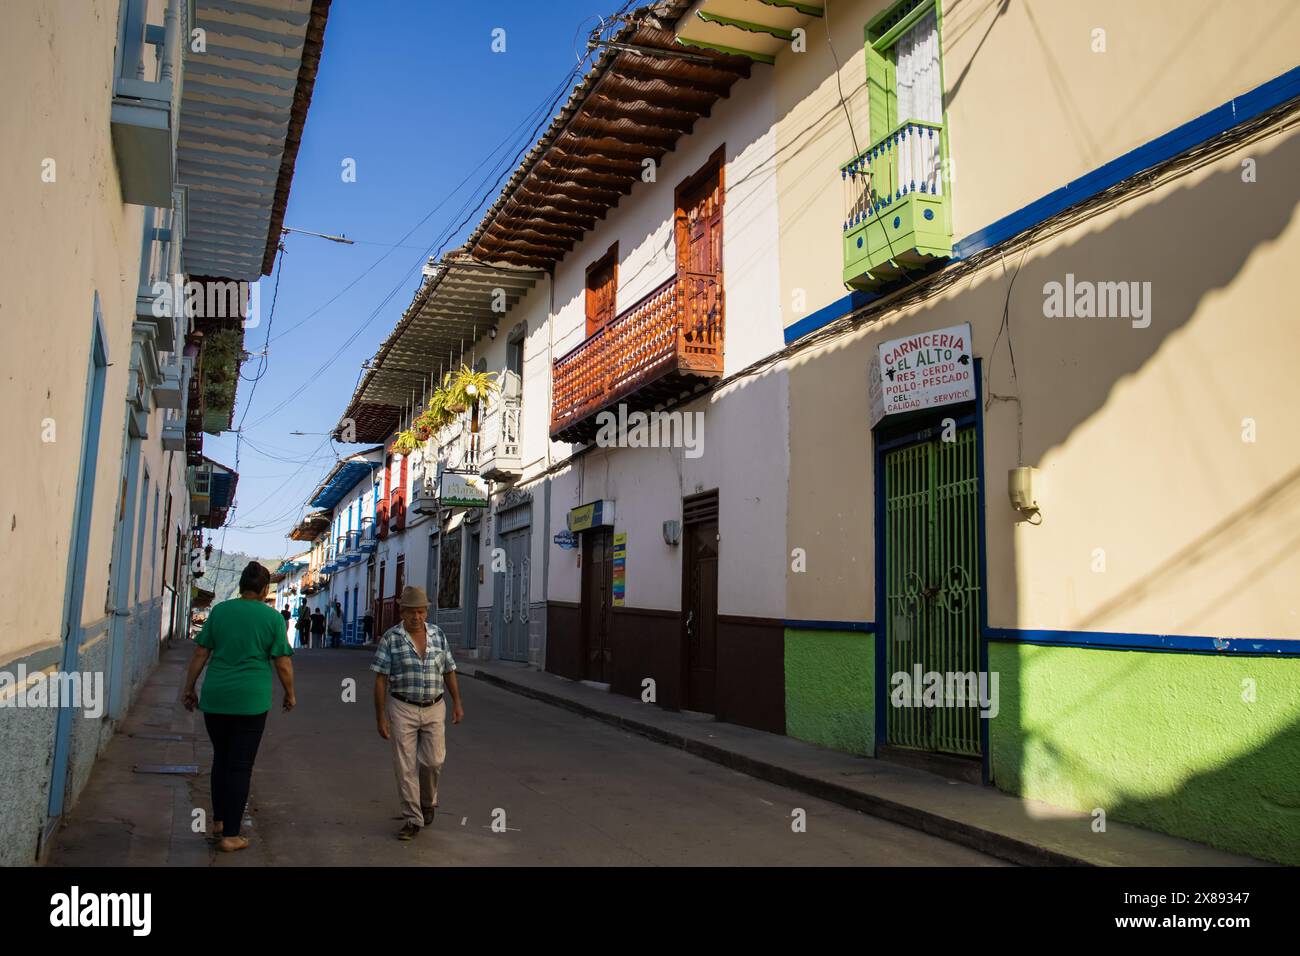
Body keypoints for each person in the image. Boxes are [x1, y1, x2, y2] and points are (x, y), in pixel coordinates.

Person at [181, 561, 295, 853]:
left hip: (216, 698)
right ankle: (231, 835)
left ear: (242, 585)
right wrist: (289, 693)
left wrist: (189, 687)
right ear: (264, 589)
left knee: (221, 759)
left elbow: (200, 653)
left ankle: (219, 822)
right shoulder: (272, 619)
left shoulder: (220, 611)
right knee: (240, 767)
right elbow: (282, 662)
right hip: (250, 701)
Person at [371, 586, 464, 841]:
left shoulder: (438, 635)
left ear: (426, 612)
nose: (417, 617)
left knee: (433, 761)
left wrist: (457, 702)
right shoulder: (391, 638)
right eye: (412, 612)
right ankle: (412, 818)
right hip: (402, 707)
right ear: (402, 612)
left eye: (421, 612)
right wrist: (380, 717)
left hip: (435, 706)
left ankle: (427, 801)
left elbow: (449, 669)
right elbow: (380, 680)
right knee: (405, 766)